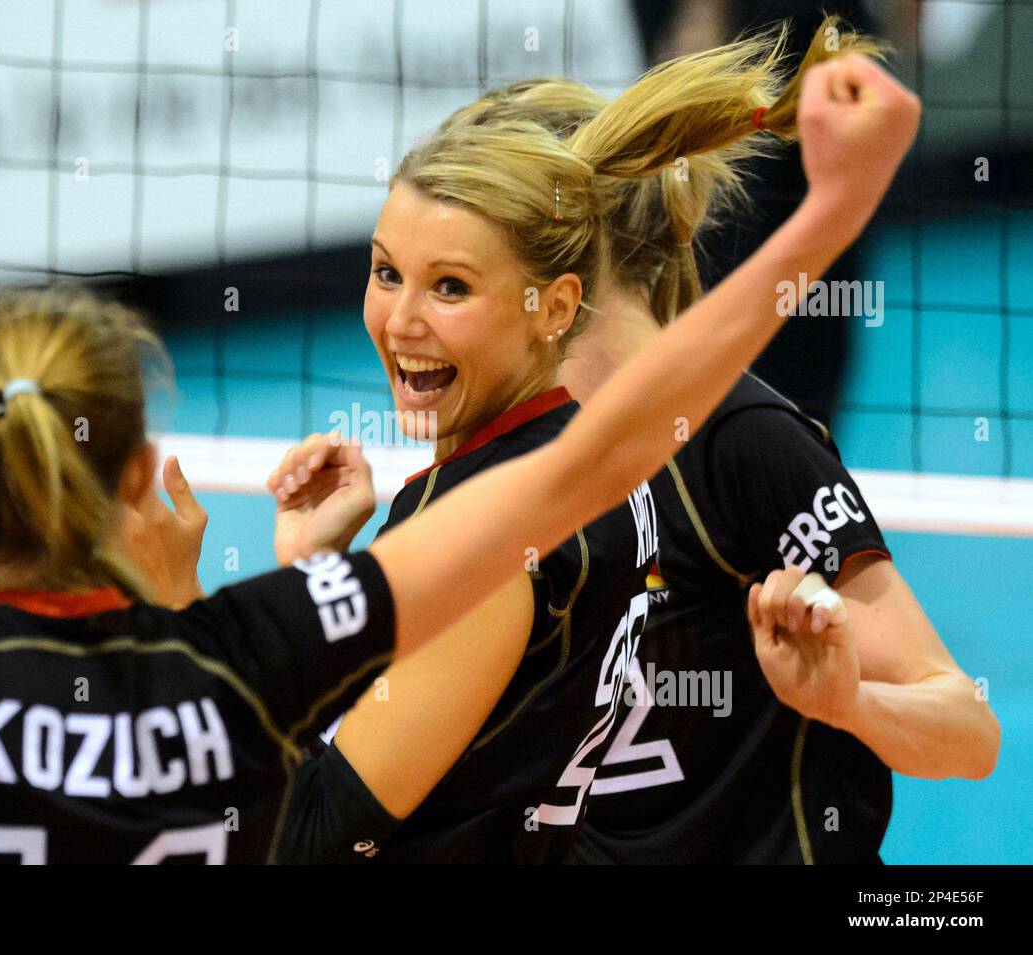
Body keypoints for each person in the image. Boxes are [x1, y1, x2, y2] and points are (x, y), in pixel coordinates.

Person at [263, 21, 928, 863]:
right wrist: (319, 582)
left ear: (552, 293)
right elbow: (392, 748)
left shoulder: (703, 450)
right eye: (387, 271)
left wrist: (846, 702)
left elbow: (318, 827)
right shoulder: (544, 468)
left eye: (452, 282)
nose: (400, 320)